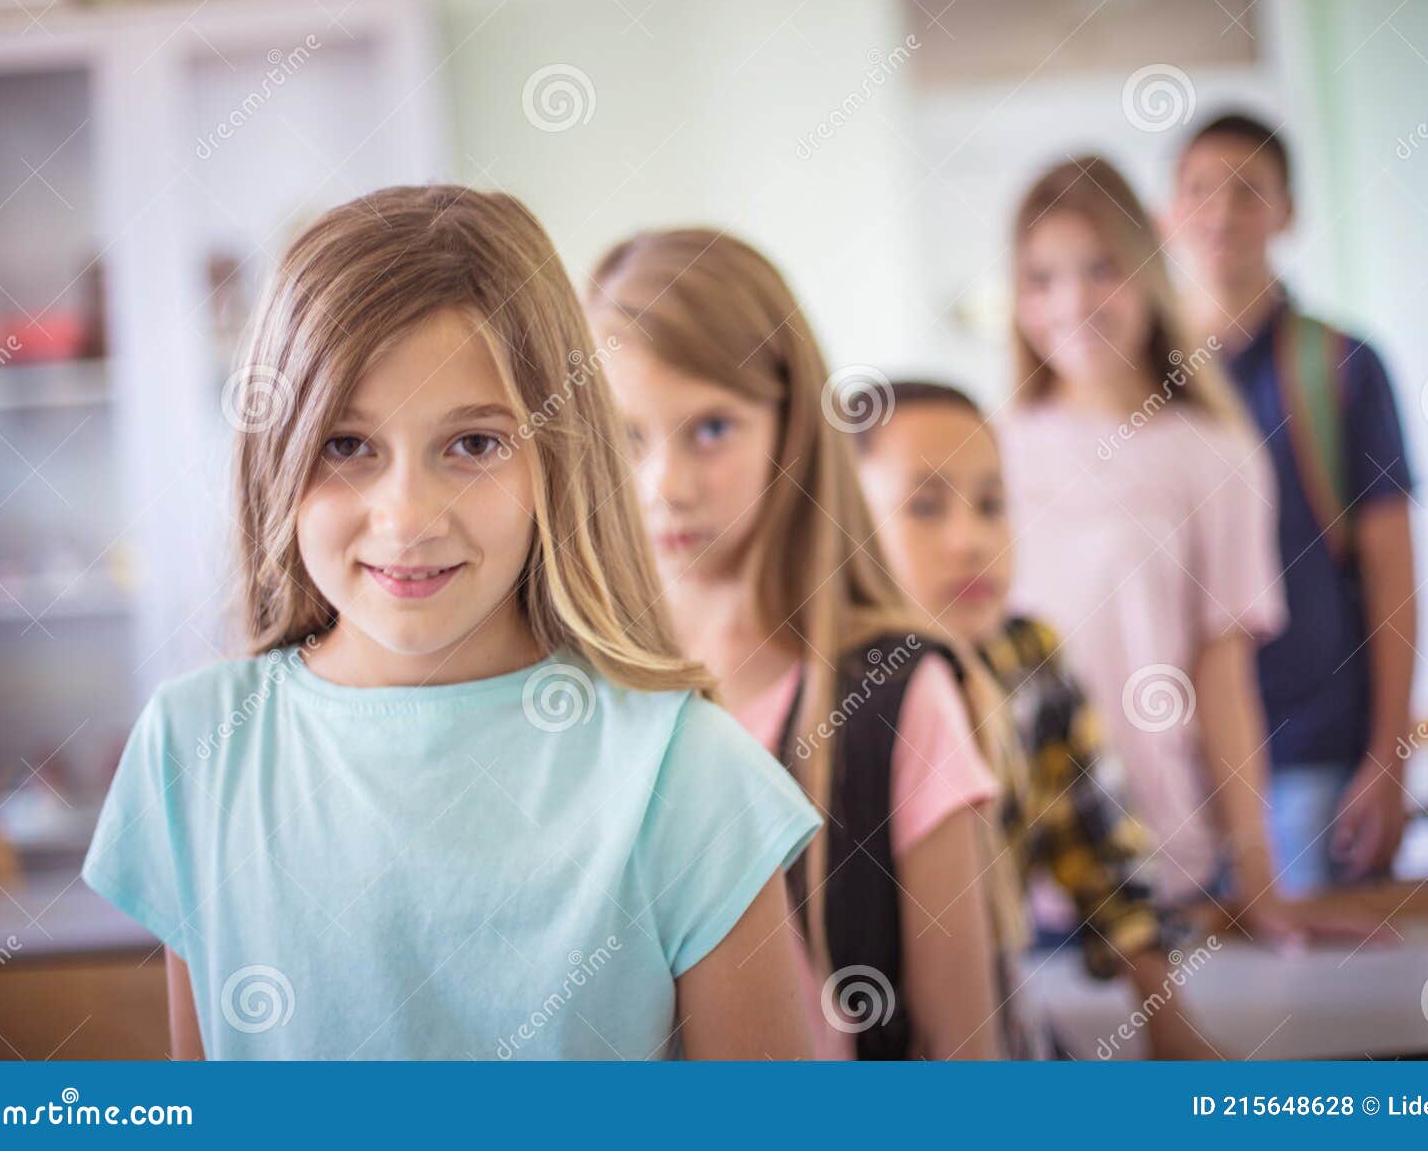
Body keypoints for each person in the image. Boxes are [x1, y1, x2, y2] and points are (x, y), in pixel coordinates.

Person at [82, 186, 820, 1060]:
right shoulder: (196, 746)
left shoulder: (689, 773)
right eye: (345, 445)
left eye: (473, 444)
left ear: (560, 457)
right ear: (273, 454)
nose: (407, 517)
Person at [588, 229, 1021, 1059]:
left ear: (790, 429)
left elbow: (963, 1052)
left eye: (712, 428)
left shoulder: (897, 693)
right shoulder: (574, 684)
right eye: (627, 435)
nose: (666, 485)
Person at [1000, 155, 1383, 945]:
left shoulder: (1214, 452)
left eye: (1100, 267)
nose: (1072, 302)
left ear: (1145, 269)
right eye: (1042, 277)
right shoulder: (991, 451)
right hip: (1018, 872)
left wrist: (1261, 879)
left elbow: (1225, 674)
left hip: (1164, 859)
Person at [853, 379, 1219, 1059]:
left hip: (1000, 1031)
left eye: (991, 503)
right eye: (925, 506)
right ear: (845, 528)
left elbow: (1104, 851)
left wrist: (1169, 1022)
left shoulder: (1028, 657)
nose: (970, 540)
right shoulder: (835, 696)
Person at [1168, 112, 1417, 894]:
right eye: (1201, 189)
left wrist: (1389, 758)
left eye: (1248, 191)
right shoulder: (1148, 384)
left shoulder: (1342, 365)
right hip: (1178, 762)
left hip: (1314, 750)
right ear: (1168, 213)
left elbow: (1392, 574)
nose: (1223, 212)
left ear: (1287, 211)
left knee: (1315, 1004)